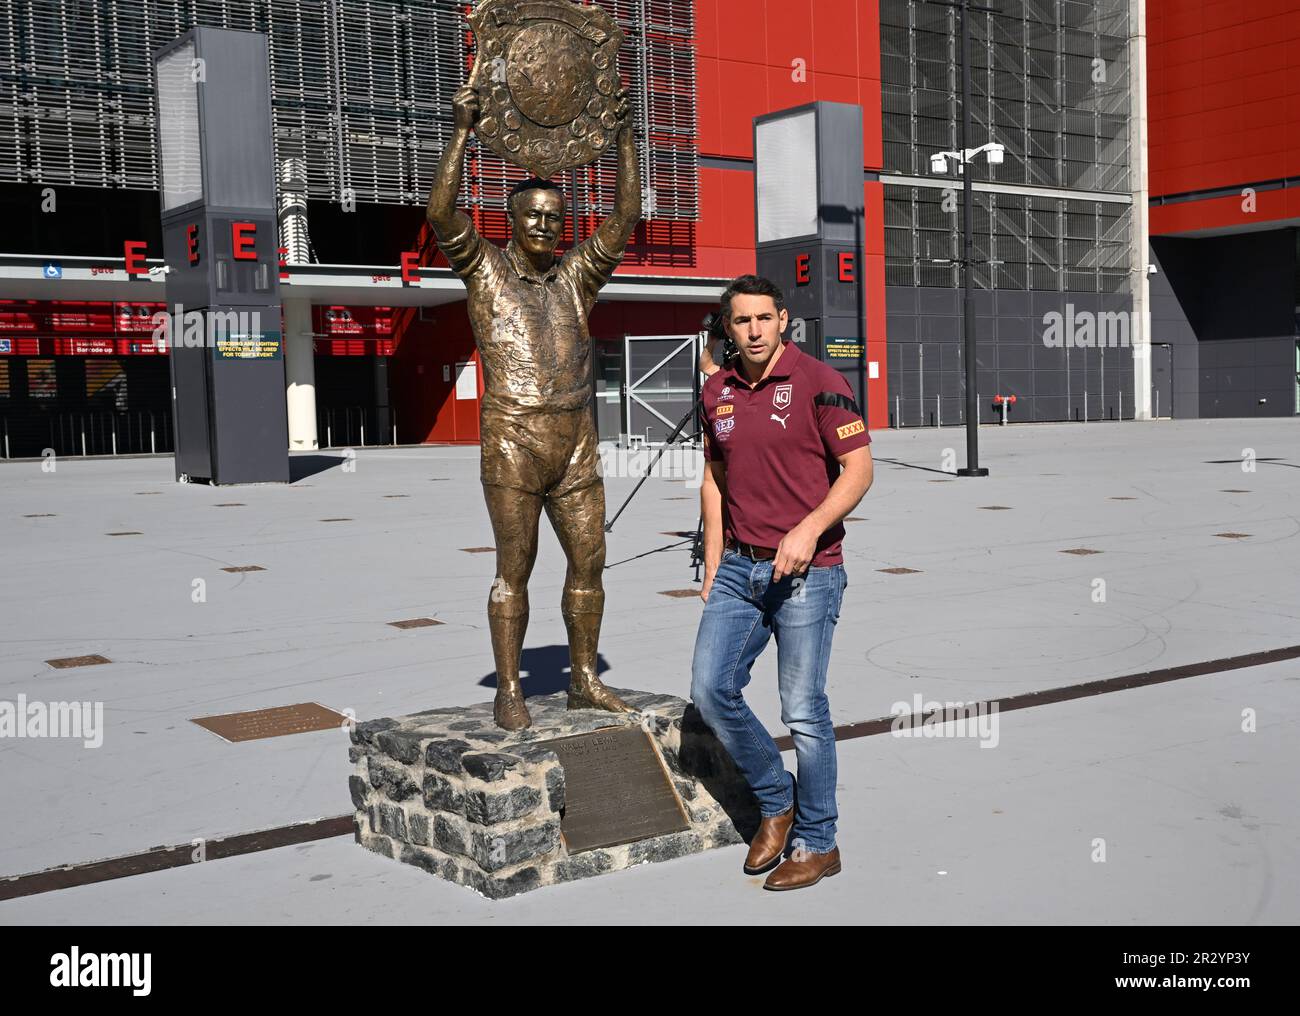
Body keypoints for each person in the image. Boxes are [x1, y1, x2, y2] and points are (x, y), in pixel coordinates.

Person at [424, 82, 641, 730]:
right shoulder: (485, 270)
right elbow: (440, 214)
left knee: (590, 559)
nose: (546, 226)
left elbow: (625, 217)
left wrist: (624, 138)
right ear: (512, 220)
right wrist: (462, 130)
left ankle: (581, 679)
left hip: (574, 437)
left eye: (555, 217)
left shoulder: (578, 278)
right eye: (534, 216)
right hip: (514, 437)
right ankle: (510, 690)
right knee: (514, 567)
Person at [691, 274, 873, 891]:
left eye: (764, 318)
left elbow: (858, 468)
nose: (754, 330)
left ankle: (819, 841)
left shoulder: (820, 381)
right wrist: (713, 558)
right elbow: (714, 477)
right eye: (741, 321)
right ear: (728, 328)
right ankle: (776, 798)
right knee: (711, 690)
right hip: (739, 570)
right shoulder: (716, 389)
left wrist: (809, 529)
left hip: (808, 572)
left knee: (803, 711)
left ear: (783, 319)